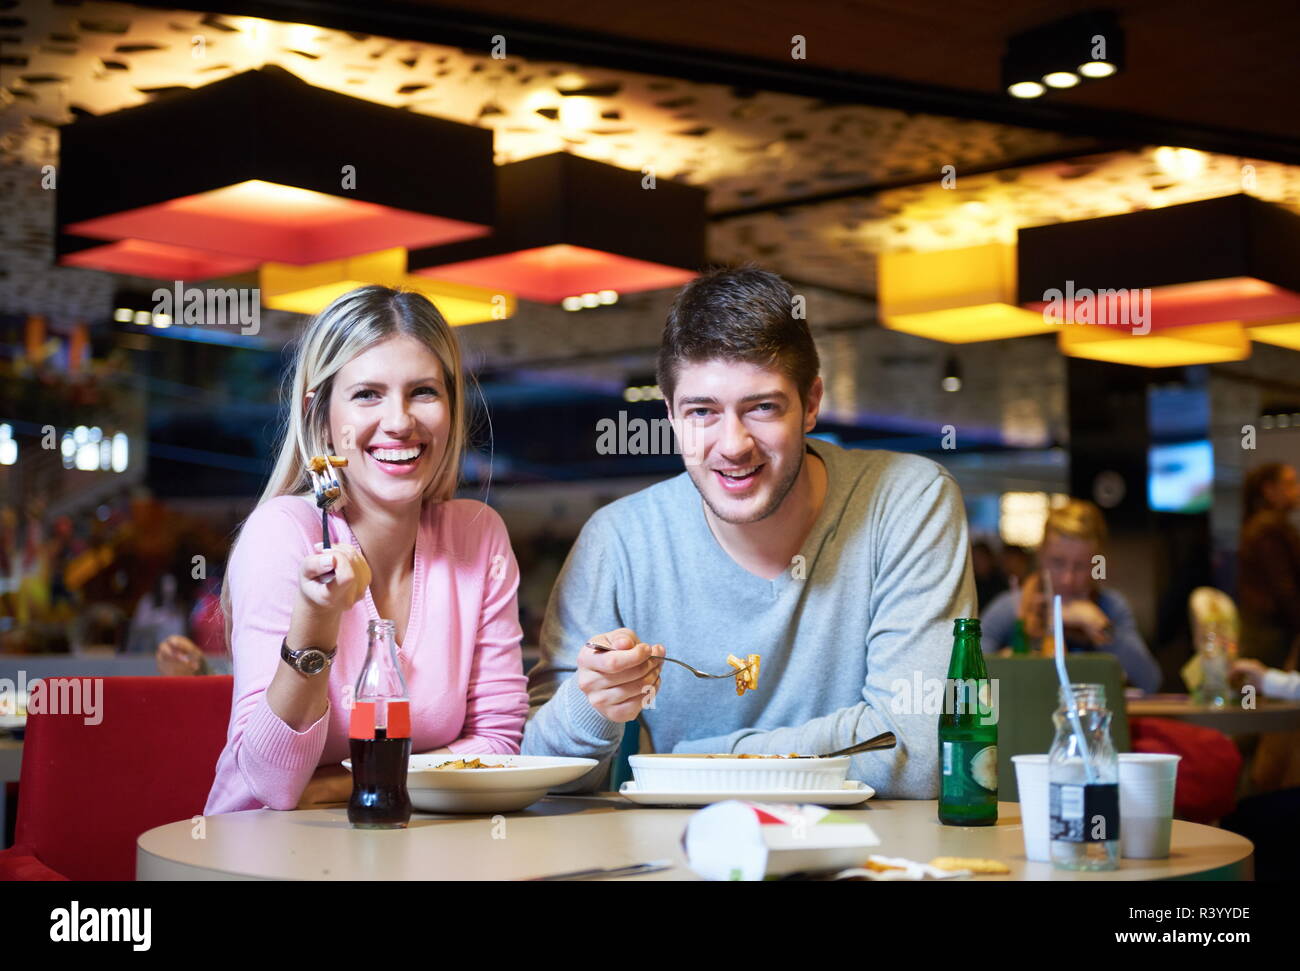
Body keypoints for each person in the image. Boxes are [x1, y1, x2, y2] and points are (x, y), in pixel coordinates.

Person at [521, 265, 976, 797]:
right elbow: (543, 778)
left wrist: (684, 764)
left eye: (762, 407)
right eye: (702, 412)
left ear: (810, 404)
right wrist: (590, 706)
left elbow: (918, 752)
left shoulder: (908, 500)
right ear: (669, 415)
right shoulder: (619, 540)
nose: (733, 444)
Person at [205, 286, 528, 814]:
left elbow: (497, 747)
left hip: (416, 851)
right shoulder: (281, 534)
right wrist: (315, 621)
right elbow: (275, 786)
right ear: (321, 415)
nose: (400, 421)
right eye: (367, 395)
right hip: (263, 859)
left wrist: (337, 783)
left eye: (423, 391)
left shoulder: (479, 535)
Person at [980, 500, 1162, 692]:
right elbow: (965, 675)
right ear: (1040, 556)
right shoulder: (1010, 607)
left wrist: (1103, 629)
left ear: (1095, 564)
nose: (1068, 579)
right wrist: (1007, 662)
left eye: (1080, 566)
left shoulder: (1110, 607)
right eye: (1058, 563)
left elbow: (1150, 682)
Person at [1237, 463, 1300, 670]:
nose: (1297, 490)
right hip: (1270, 633)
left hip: (1267, 629)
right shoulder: (1268, 529)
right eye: (1290, 483)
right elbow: (1283, 586)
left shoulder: (1266, 526)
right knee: (1271, 694)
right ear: (1269, 490)